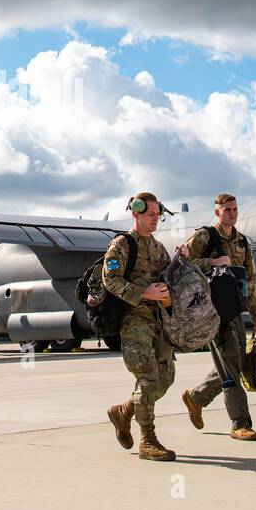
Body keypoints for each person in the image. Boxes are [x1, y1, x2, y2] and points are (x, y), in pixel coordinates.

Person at [177, 193, 256, 441]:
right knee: (229, 362)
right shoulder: (204, 236)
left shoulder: (242, 242)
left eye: (235, 209)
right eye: (226, 209)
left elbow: (251, 279)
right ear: (217, 212)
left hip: (234, 308)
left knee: (238, 361)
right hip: (210, 311)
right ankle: (240, 422)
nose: (232, 213)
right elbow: (182, 263)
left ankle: (197, 397)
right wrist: (213, 262)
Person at [102, 193, 177, 462]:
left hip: (159, 322)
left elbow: (169, 280)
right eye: (150, 215)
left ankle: (123, 411)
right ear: (136, 213)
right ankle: (148, 439)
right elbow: (110, 279)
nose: (155, 219)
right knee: (148, 378)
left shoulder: (159, 249)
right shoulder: (121, 245)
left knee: (166, 378)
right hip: (135, 322)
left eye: (158, 215)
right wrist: (143, 293)